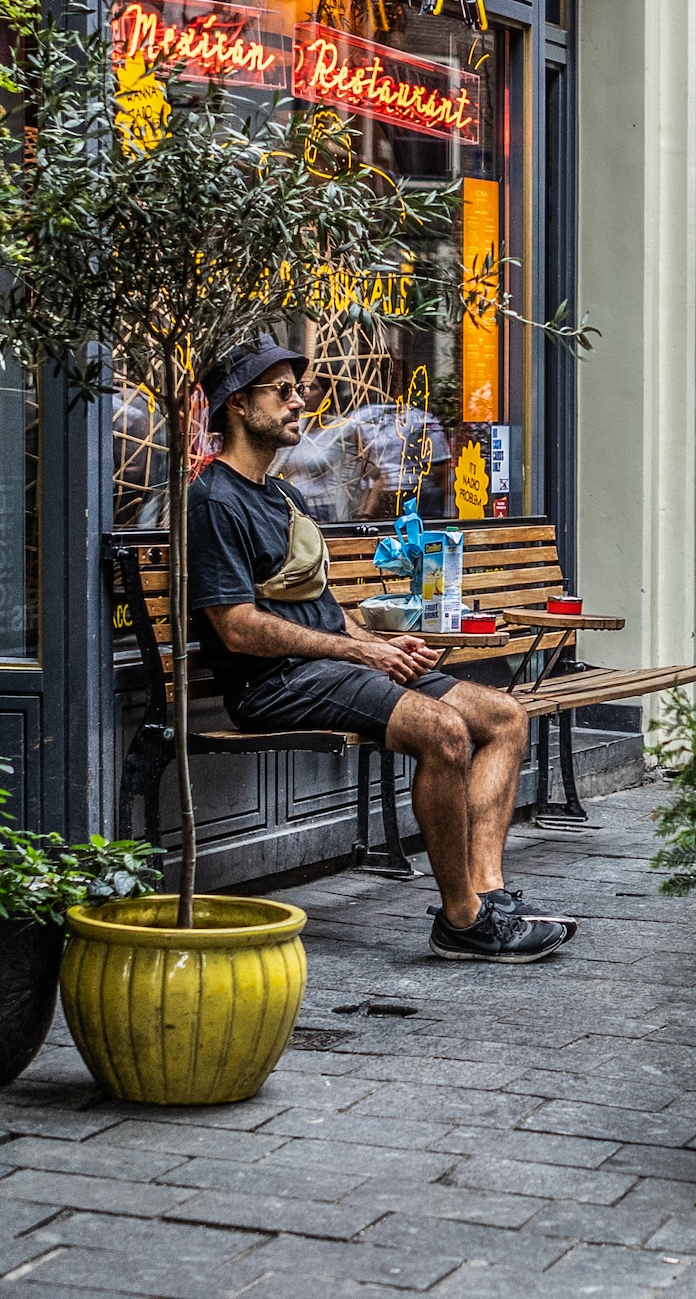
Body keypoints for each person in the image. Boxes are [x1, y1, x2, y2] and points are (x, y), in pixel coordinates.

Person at [189, 336, 570, 962]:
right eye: (281, 391)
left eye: (298, 390)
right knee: (444, 732)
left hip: (331, 666)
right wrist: (360, 655)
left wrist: (378, 641)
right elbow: (237, 627)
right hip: (276, 682)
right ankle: (461, 920)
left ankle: (488, 894)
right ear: (237, 404)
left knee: (505, 717)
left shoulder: (281, 494)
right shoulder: (213, 500)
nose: (298, 402)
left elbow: (324, 605)